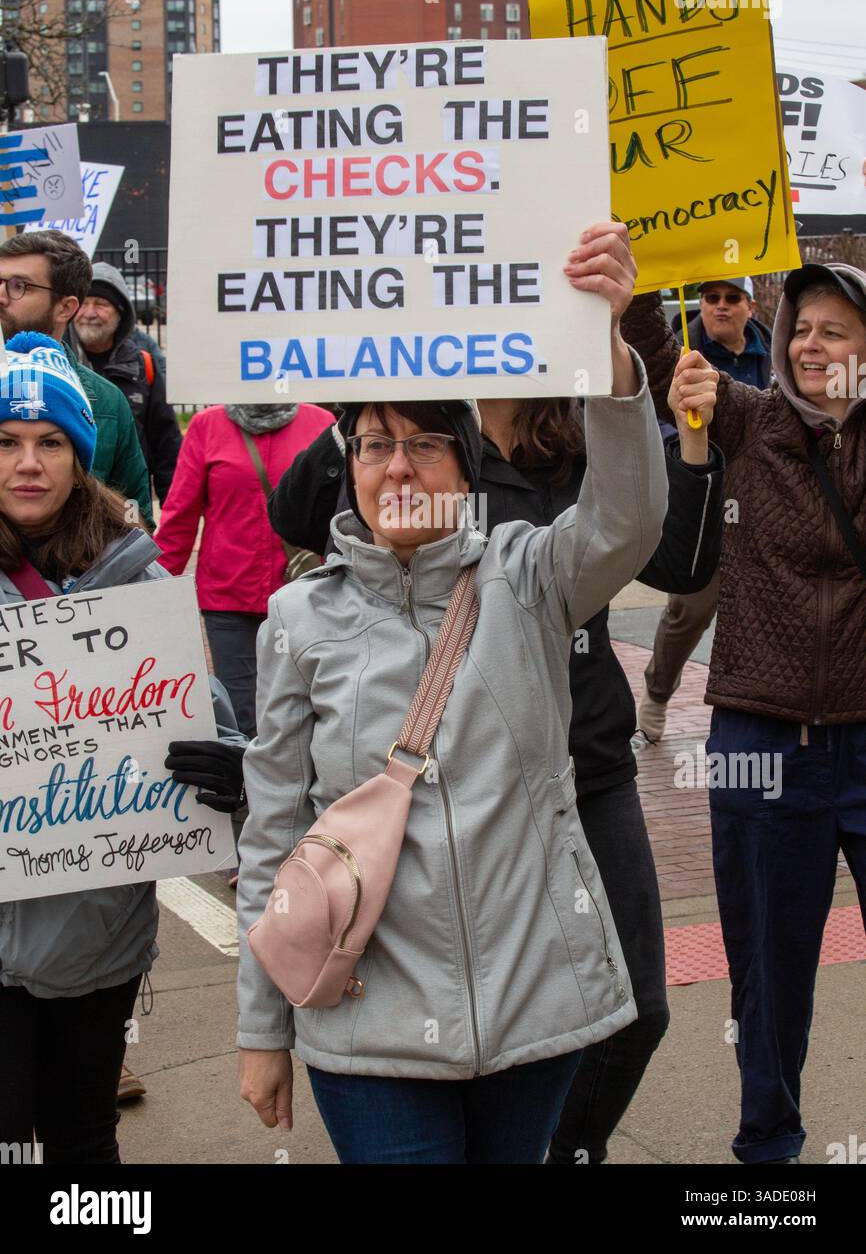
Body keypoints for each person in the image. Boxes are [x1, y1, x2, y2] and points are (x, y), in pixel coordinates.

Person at [234, 222, 669, 1165]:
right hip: (368, 1032)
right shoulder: (297, 621)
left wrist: (608, 348)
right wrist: (261, 1028)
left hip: (529, 1016)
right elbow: (272, 831)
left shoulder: (529, 576)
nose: (399, 466)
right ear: (347, 470)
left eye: (427, 444)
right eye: (375, 444)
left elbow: (629, 520)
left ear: (465, 470)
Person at [620, 261, 866, 1164]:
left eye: (835, 331)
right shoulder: (752, 418)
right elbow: (654, 352)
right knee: (767, 976)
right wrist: (641, 279)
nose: (810, 345)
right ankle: (769, 1158)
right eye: (801, 327)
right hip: (760, 746)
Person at [0, 332, 244, 1163]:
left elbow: (208, 721)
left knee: (82, 1139)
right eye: (5, 442)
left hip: (93, 937)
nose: (27, 463)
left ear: (78, 457)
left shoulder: (137, 584)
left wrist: (234, 772)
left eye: (50, 442)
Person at [154, 399, 334, 882]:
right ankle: (254, 846)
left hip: (306, 602)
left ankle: (306, 836)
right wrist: (149, 602)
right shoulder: (208, 426)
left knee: (303, 719)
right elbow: (179, 516)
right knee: (247, 723)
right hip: (228, 600)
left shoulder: (322, 423)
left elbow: (340, 512)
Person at [636, 275, 772, 742]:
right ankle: (657, 692)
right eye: (711, 297)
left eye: (732, 298)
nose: (719, 306)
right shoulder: (684, 351)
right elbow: (662, 423)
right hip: (707, 508)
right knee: (690, 611)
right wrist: (693, 441)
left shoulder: (776, 358)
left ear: (750, 307)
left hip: (763, 511)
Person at [0, 230, 153, 527]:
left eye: (19, 286)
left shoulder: (105, 400)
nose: (2, 296)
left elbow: (136, 518)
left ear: (66, 307)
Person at [66, 262, 182, 505]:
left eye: (101, 304)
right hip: (68, 505)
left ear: (121, 314)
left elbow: (166, 445)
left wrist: (172, 509)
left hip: (126, 506)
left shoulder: (144, 367)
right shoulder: (59, 365)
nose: (89, 312)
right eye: (84, 303)